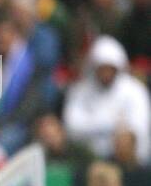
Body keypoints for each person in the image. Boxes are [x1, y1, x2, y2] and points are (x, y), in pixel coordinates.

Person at [62, 36, 151, 165]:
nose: (106, 73)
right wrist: (109, 123)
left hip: (129, 160)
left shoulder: (135, 91)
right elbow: (72, 126)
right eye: (102, 69)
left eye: (109, 69)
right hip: (90, 157)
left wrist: (94, 125)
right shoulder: (80, 91)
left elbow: (139, 127)